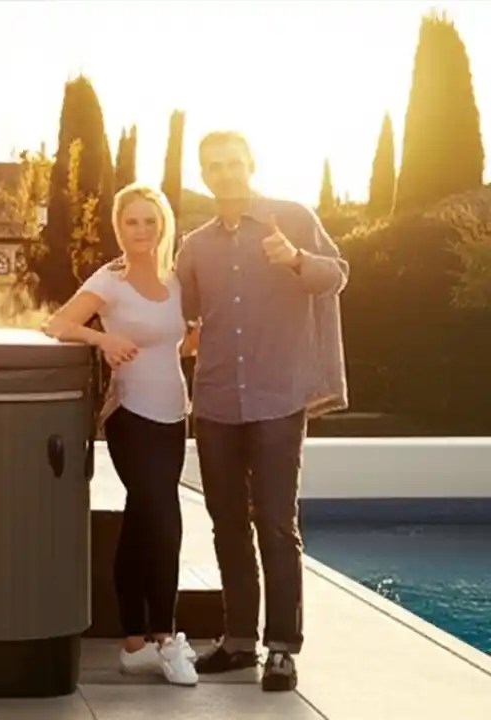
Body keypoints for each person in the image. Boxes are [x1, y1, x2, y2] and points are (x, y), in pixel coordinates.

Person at [175, 130, 349, 692]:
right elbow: (178, 312)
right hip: (219, 400)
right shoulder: (195, 245)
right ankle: (239, 641)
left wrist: (295, 259)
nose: (224, 173)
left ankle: (281, 649)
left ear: (250, 164)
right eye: (213, 166)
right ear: (205, 174)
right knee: (226, 524)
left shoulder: (291, 218)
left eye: (232, 162)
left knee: (275, 523)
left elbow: (338, 274)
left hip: (277, 399)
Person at [42, 184, 199, 687]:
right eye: (132, 221)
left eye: (150, 221)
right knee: (165, 518)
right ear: (119, 227)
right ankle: (166, 637)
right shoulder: (109, 281)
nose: (141, 230)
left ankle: (133, 646)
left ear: (163, 226)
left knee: (140, 522)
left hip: (175, 415)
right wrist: (102, 337)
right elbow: (57, 323)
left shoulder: (177, 281)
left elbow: (184, 340)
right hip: (130, 417)